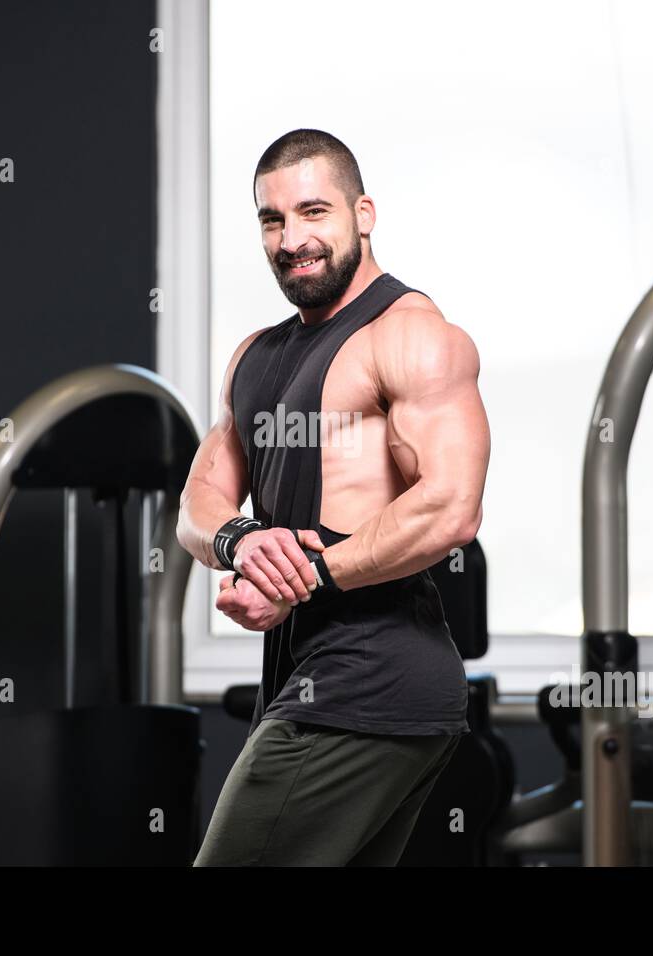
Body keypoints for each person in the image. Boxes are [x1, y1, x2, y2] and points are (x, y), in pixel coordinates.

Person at [177, 129, 490, 866]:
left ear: (364, 213)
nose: (292, 239)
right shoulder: (254, 357)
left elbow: (452, 506)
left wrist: (306, 575)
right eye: (272, 219)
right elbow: (199, 498)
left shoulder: (413, 337)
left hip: (370, 680)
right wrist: (242, 541)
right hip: (307, 683)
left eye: (314, 212)